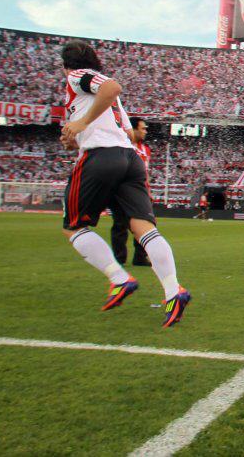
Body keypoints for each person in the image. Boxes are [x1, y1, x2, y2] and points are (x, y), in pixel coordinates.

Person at [58, 40, 190, 327]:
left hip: (101, 157)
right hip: (129, 160)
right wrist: (73, 136)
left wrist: (81, 127)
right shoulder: (105, 102)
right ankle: (173, 291)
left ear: (66, 64)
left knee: (74, 227)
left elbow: (112, 87)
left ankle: (119, 279)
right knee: (143, 228)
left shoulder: (76, 76)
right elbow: (128, 132)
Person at [110, 115, 150, 267]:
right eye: (143, 128)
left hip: (140, 191)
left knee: (144, 224)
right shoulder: (122, 146)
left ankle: (140, 257)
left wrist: (148, 191)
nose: (145, 131)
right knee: (120, 224)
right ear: (133, 130)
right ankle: (119, 258)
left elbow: (146, 173)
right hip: (122, 190)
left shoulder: (145, 149)